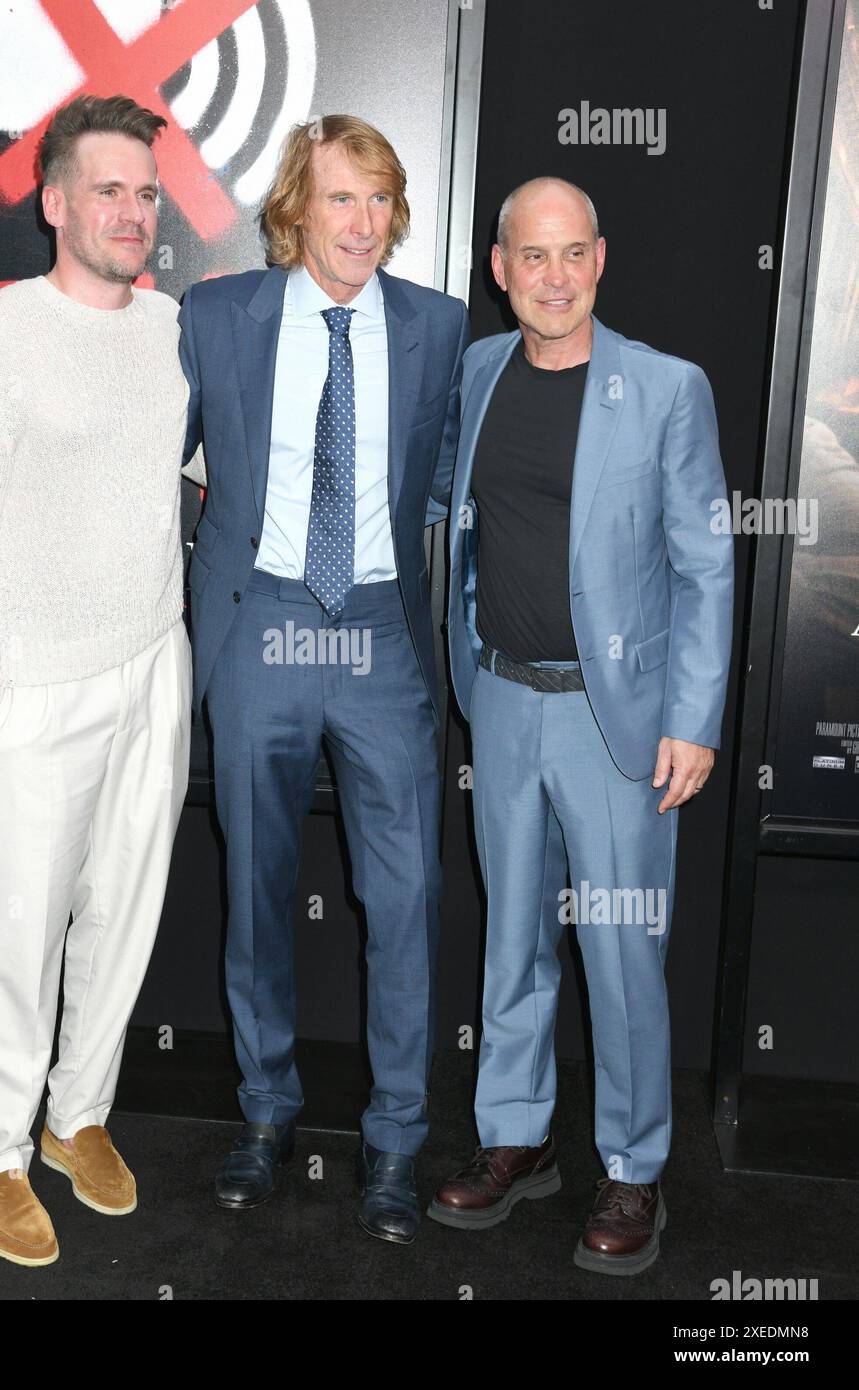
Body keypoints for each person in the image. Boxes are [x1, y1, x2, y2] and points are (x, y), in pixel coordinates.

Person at [431, 177, 733, 1275]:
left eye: (573, 255)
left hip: (622, 727)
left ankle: (634, 1163)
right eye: (531, 258)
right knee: (511, 937)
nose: (553, 278)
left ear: (598, 260)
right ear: (499, 269)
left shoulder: (665, 389)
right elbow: (455, 526)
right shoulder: (477, 370)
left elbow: (706, 562)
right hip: (504, 703)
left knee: (619, 953)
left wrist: (694, 719)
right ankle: (517, 1134)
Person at [178, 115, 469, 1243]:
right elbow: (165, 452)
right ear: (297, 208)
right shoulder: (214, 318)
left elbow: (441, 463)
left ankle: (395, 1140)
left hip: (382, 637)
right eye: (343, 199)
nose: (363, 223)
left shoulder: (439, 327)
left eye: (381, 200)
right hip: (264, 622)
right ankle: (265, 1115)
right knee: (257, 886)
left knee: (405, 898)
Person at [0, 95, 192, 1267]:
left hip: (154, 664)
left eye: (145, 191)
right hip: (36, 686)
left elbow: (200, 467)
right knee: (18, 935)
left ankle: (77, 1113)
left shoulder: (176, 329)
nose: (132, 211)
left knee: (123, 915)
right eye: (109, 190)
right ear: (55, 202)